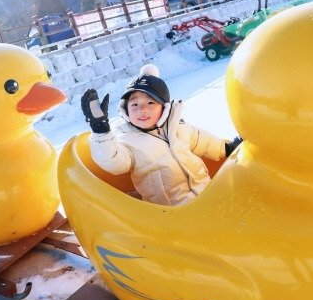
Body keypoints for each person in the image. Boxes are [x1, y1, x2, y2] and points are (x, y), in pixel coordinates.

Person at [80, 64, 241, 206]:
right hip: (171, 211)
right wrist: (101, 131)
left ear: (164, 107)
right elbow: (113, 162)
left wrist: (226, 148)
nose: (142, 109)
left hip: (207, 194)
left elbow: (203, 141)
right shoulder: (125, 140)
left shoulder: (178, 127)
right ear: (125, 109)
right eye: (134, 104)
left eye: (150, 103)